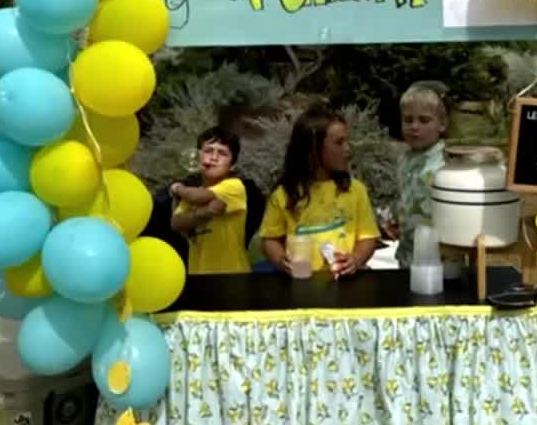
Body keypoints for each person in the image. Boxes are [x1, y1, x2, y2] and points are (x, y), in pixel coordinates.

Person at [259, 103, 379, 279]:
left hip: (346, 282)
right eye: (339, 143)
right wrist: (280, 260)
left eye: (347, 141)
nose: (347, 149)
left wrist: (356, 259)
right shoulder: (284, 194)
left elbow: (368, 238)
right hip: (302, 282)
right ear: (312, 149)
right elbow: (270, 239)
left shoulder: (355, 190)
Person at [170, 127, 252, 275]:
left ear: (232, 165)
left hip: (232, 277)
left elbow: (198, 197)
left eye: (222, 153)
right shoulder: (192, 193)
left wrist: (177, 188)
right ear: (197, 157)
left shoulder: (234, 186)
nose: (213, 157)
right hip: (199, 278)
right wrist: (204, 213)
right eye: (208, 151)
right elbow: (176, 223)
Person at [390, 81, 449, 268]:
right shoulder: (403, 159)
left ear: (442, 124)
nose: (414, 127)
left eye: (424, 120)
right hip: (407, 256)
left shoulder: (447, 163)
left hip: (440, 259)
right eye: (408, 120)